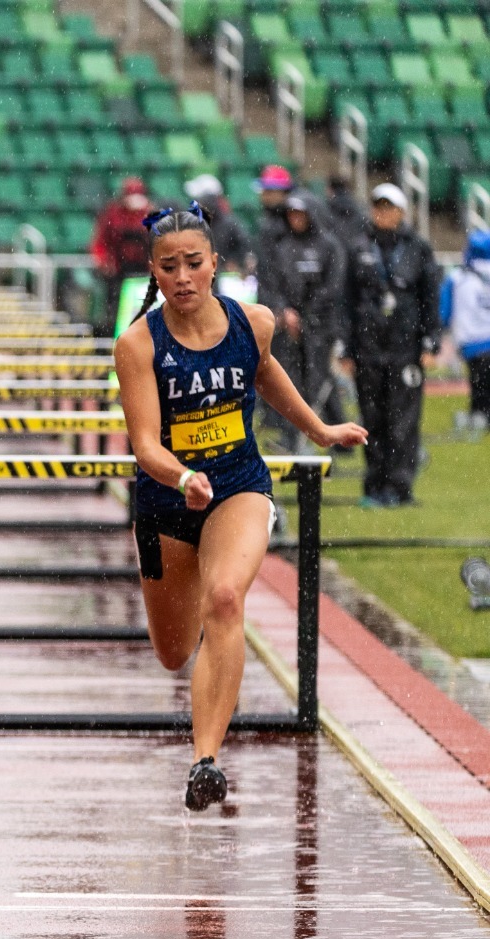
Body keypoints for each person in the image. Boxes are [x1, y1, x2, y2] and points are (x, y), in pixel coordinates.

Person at [114, 202, 365, 812]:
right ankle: (205, 646)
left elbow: (265, 373)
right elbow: (144, 443)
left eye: (193, 264)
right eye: (169, 267)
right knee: (173, 651)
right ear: (154, 270)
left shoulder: (252, 322)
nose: (182, 278)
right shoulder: (138, 345)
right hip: (167, 498)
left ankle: (206, 760)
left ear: (214, 264)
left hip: (237, 485)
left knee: (225, 597)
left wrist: (320, 430)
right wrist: (181, 478)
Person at [344, 183, 441, 507]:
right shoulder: (358, 247)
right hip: (368, 348)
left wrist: (431, 342)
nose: (382, 213)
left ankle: (400, 488)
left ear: (401, 211)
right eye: (377, 206)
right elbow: (347, 300)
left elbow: (430, 297)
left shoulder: (418, 248)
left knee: (403, 421)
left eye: (389, 207)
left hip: (406, 348)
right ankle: (374, 485)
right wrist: (346, 347)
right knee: (371, 419)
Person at [256, 193, 347, 446]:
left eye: (300, 214)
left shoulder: (329, 246)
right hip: (289, 327)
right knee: (289, 380)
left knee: (318, 380)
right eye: (291, 214)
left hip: (320, 326)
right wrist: (284, 311)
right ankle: (293, 435)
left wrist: (309, 313)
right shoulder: (281, 247)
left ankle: (323, 435)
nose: (295, 219)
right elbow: (270, 284)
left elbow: (334, 286)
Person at [90, 177, 154, 335]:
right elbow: (100, 243)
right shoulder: (113, 215)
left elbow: (160, 244)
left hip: (144, 273)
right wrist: (104, 262)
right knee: (114, 310)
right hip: (117, 272)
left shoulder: (150, 215)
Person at [441, 229, 490, 434]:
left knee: (478, 384)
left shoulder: (457, 277)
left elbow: (443, 311)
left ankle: (479, 416)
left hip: (472, 342)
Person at [183, 175, 252, 275]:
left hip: (226, 280)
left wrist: (235, 262)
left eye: (198, 200)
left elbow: (244, 249)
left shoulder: (229, 225)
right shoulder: (192, 224)